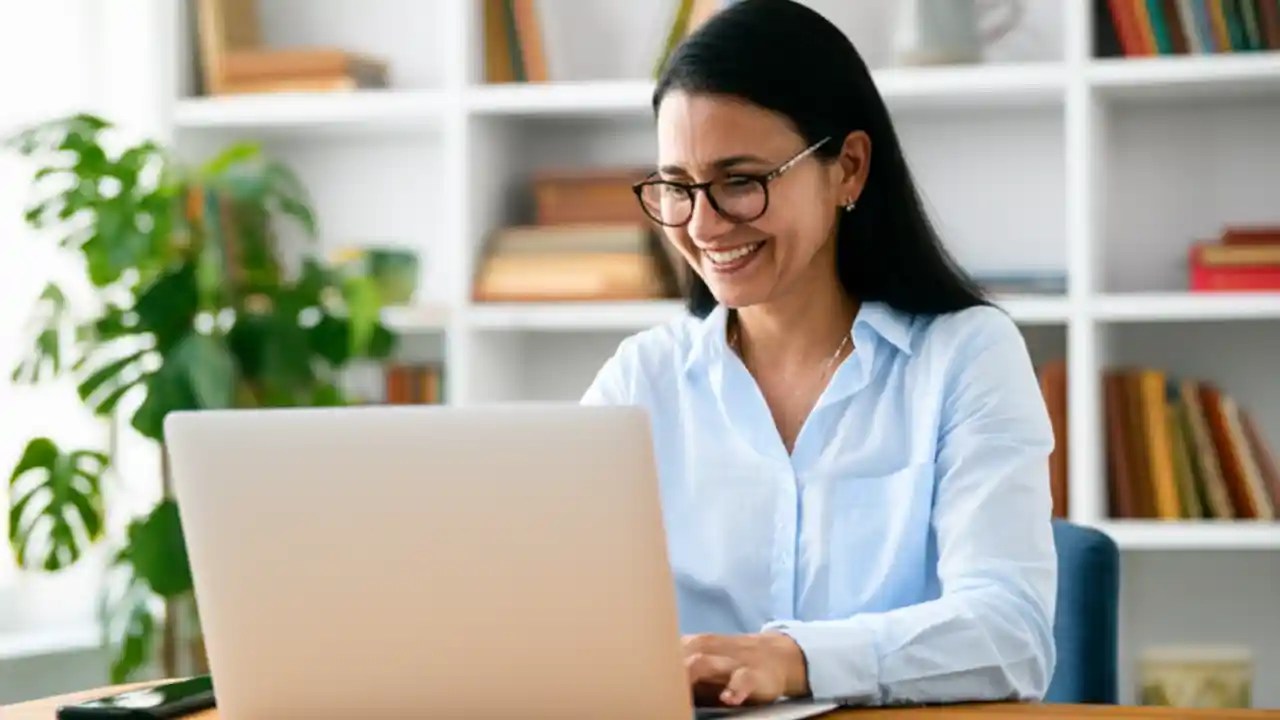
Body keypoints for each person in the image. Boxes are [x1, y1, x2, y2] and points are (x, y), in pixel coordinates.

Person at [581, 0, 1057, 711]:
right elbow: (553, 604)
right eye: (677, 186)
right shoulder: (642, 378)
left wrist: (796, 658)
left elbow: (1010, 633)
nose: (704, 225)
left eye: (740, 181)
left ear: (849, 170)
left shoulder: (964, 358)